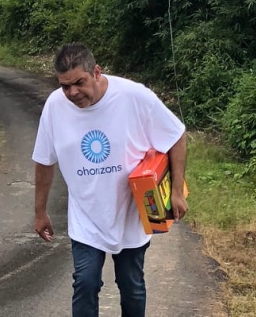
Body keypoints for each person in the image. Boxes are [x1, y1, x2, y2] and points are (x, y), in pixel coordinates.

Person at [32, 43, 188, 317]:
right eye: (65, 86)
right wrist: (40, 211)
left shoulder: (134, 96)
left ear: (97, 72)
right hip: (86, 217)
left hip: (131, 214)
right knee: (85, 282)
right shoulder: (55, 106)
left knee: (131, 286)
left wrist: (176, 192)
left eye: (79, 83)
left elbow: (176, 135)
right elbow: (44, 160)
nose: (72, 93)